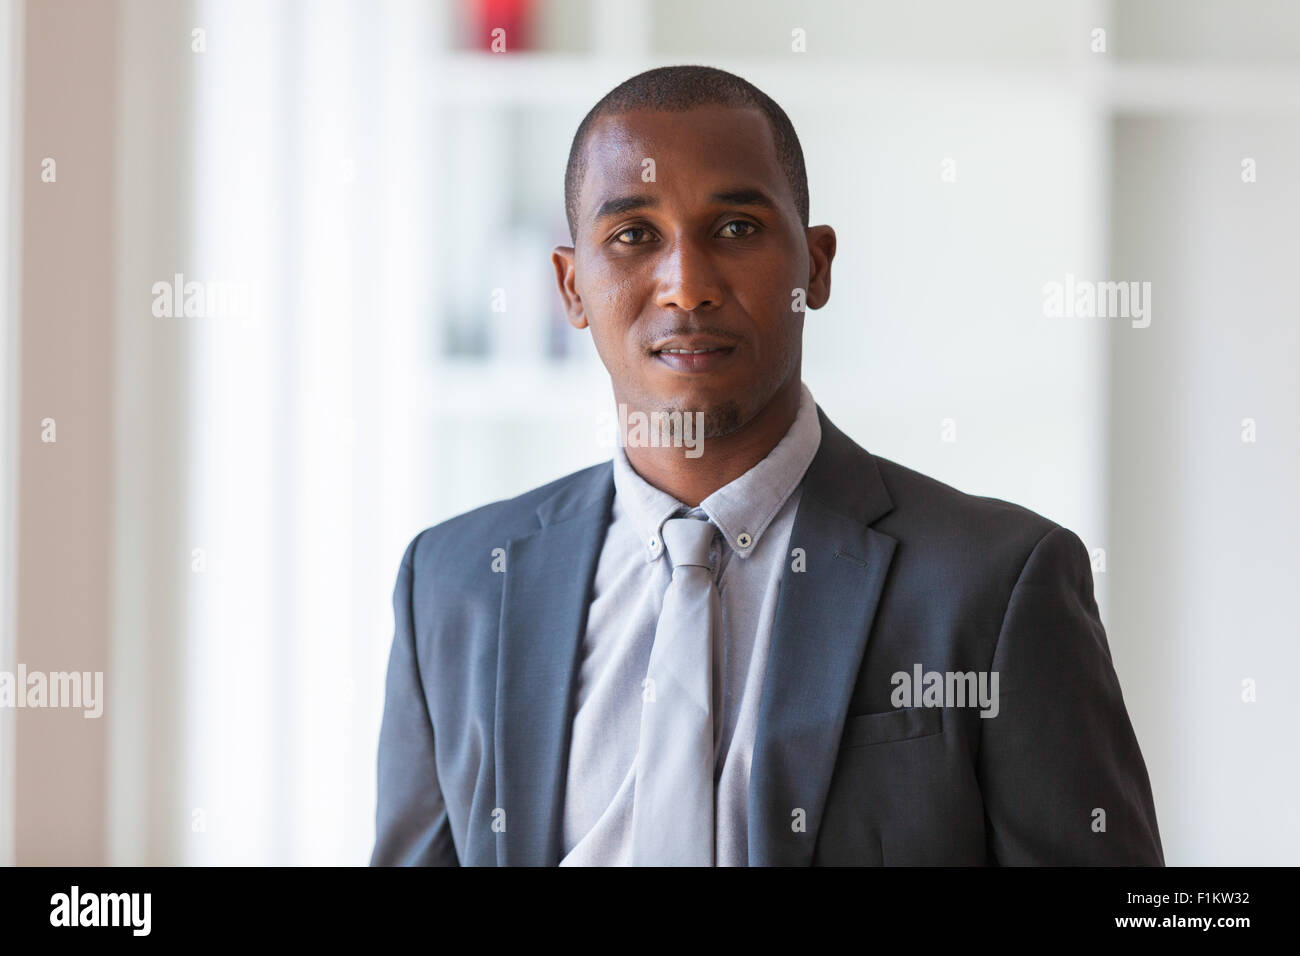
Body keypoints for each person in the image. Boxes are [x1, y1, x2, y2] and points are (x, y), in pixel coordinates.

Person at [370, 65, 1164, 866]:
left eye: (737, 229)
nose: (687, 286)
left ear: (814, 267)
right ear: (572, 289)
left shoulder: (995, 583)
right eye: (634, 236)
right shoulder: (455, 582)